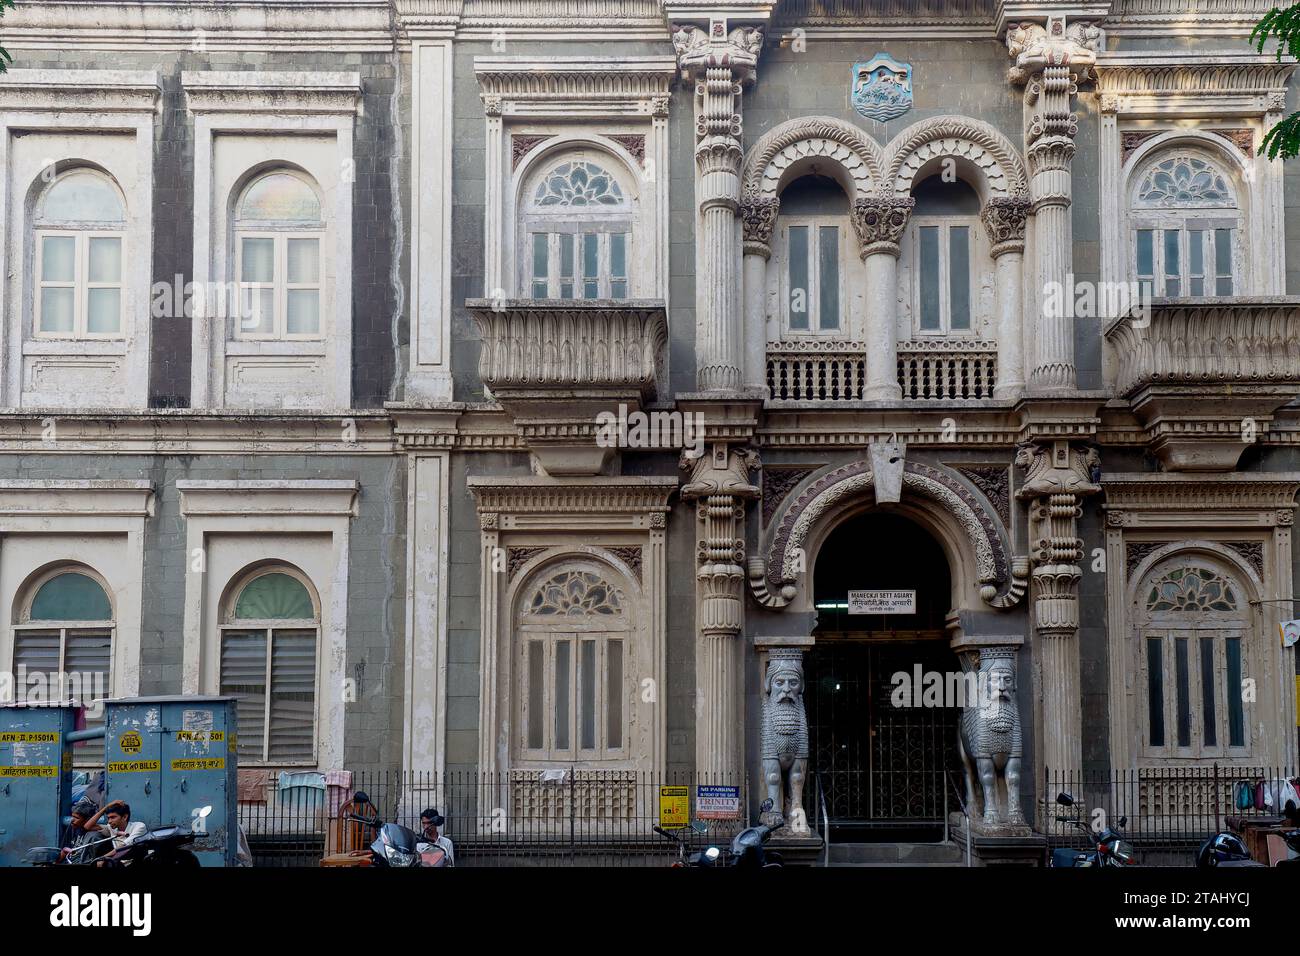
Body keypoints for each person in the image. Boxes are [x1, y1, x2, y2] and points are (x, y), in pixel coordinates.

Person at [85, 799, 147, 865]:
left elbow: (123, 846)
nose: (109, 821)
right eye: (108, 818)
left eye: (113, 817)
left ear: (125, 817)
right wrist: (106, 807)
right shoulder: (111, 828)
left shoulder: (139, 826)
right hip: (119, 863)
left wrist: (102, 858)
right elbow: (88, 826)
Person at [58, 796, 107, 864]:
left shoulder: (94, 836)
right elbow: (62, 853)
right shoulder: (72, 827)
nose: (72, 820)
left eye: (77, 818)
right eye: (72, 816)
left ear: (87, 820)